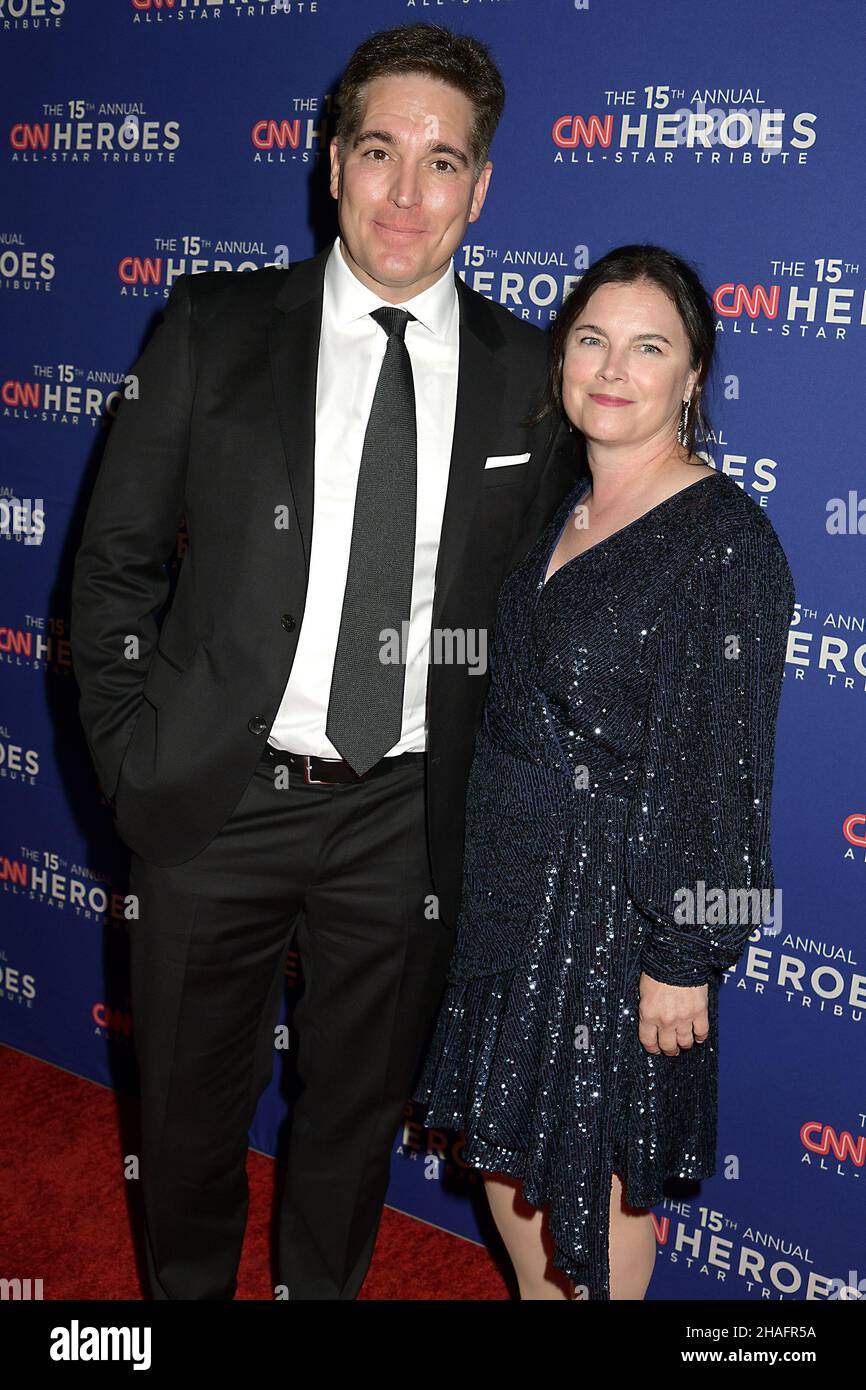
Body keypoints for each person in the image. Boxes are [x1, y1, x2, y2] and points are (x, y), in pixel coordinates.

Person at [69, 23, 577, 1300]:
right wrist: (137, 759)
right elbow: (112, 564)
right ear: (330, 166)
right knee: (186, 1119)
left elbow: (540, 615)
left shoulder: (529, 376)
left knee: (352, 1125)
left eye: (443, 161)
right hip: (214, 801)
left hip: (405, 819)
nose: (408, 194)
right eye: (379, 152)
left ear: (482, 187)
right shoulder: (210, 325)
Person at [413, 244, 796, 1300]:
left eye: (646, 346)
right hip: (510, 895)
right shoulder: (565, 507)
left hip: (610, 915)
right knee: (510, 1167)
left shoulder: (725, 542)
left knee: (593, 1184)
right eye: (589, 339)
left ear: (691, 378)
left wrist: (684, 950)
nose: (611, 367)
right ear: (559, 360)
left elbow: (728, 766)